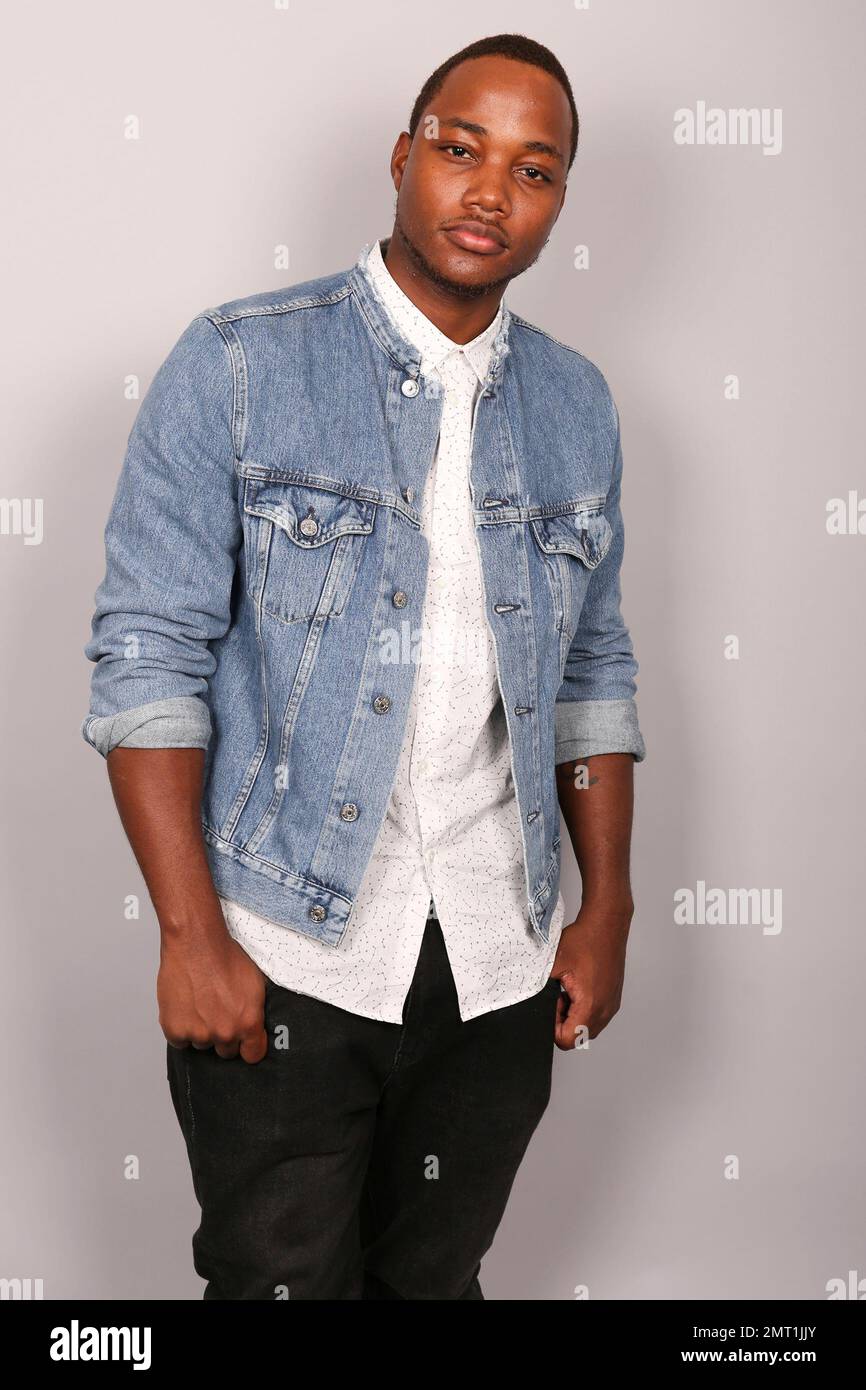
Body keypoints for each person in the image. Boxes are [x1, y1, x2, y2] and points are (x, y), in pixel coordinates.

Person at [81, 31, 646, 1300]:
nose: (489, 191)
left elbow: (592, 668)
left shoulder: (576, 404)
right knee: (276, 1282)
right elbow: (147, 657)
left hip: (499, 958)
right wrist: (189, 936)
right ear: (402, 156)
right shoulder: (238, 362)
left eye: (533, 169)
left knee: (434, 1282)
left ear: (558, 200)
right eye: (459, 149)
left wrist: (603, 906)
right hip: (286, 945)